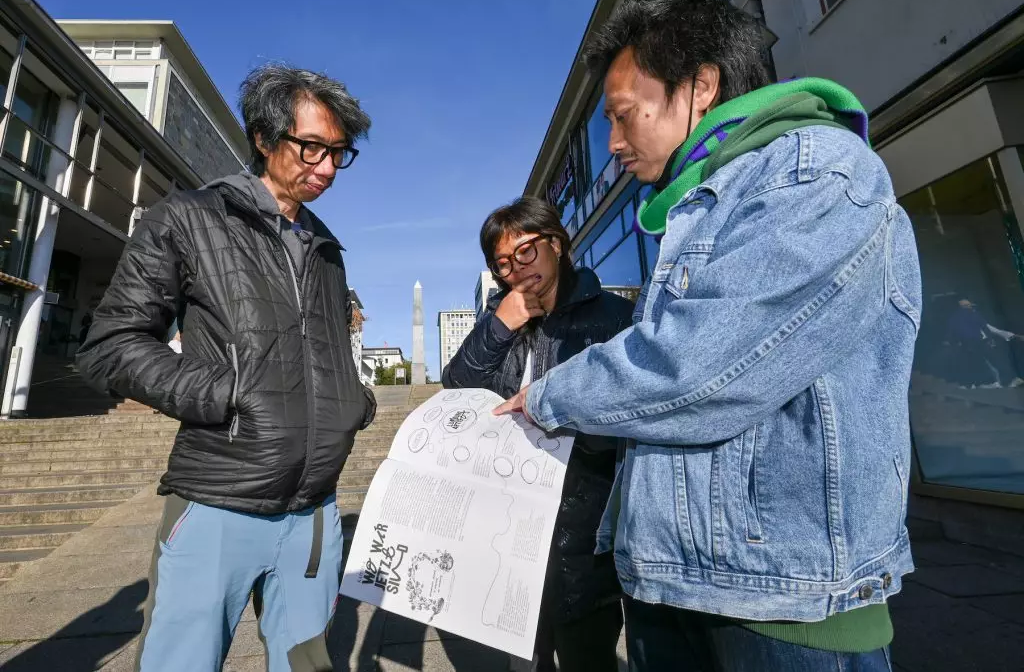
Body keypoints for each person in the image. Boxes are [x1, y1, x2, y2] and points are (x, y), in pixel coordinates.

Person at [495, 0, 922, 670]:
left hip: (782, 611)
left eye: (622, 114)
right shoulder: (706, 199)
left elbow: (694, 369)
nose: (611, 141)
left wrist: (549, 396)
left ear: (699, 88)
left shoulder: (815, 173)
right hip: (680, 590)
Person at [76, 64, 377, 672]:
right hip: (217, 501)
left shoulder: (326, 250)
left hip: (314, 511)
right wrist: (226, 393)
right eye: (311, 147)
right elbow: (110, 343)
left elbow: (326, 355)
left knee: (310, 666)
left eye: (337, 153)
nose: (325, 168)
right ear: (264, 140)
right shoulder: (188, 218)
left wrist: (354, 398)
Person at [443, 196, 633, 672]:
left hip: (583, 530)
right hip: (509, 526)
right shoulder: (499, 319)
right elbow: (456, 388)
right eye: (501, 262)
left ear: (558, 244)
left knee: (588, 655)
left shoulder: (611, 315)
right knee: (523, 660)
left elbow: (627, 415)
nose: (514, 270)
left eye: (525, 252)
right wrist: (501, 325)